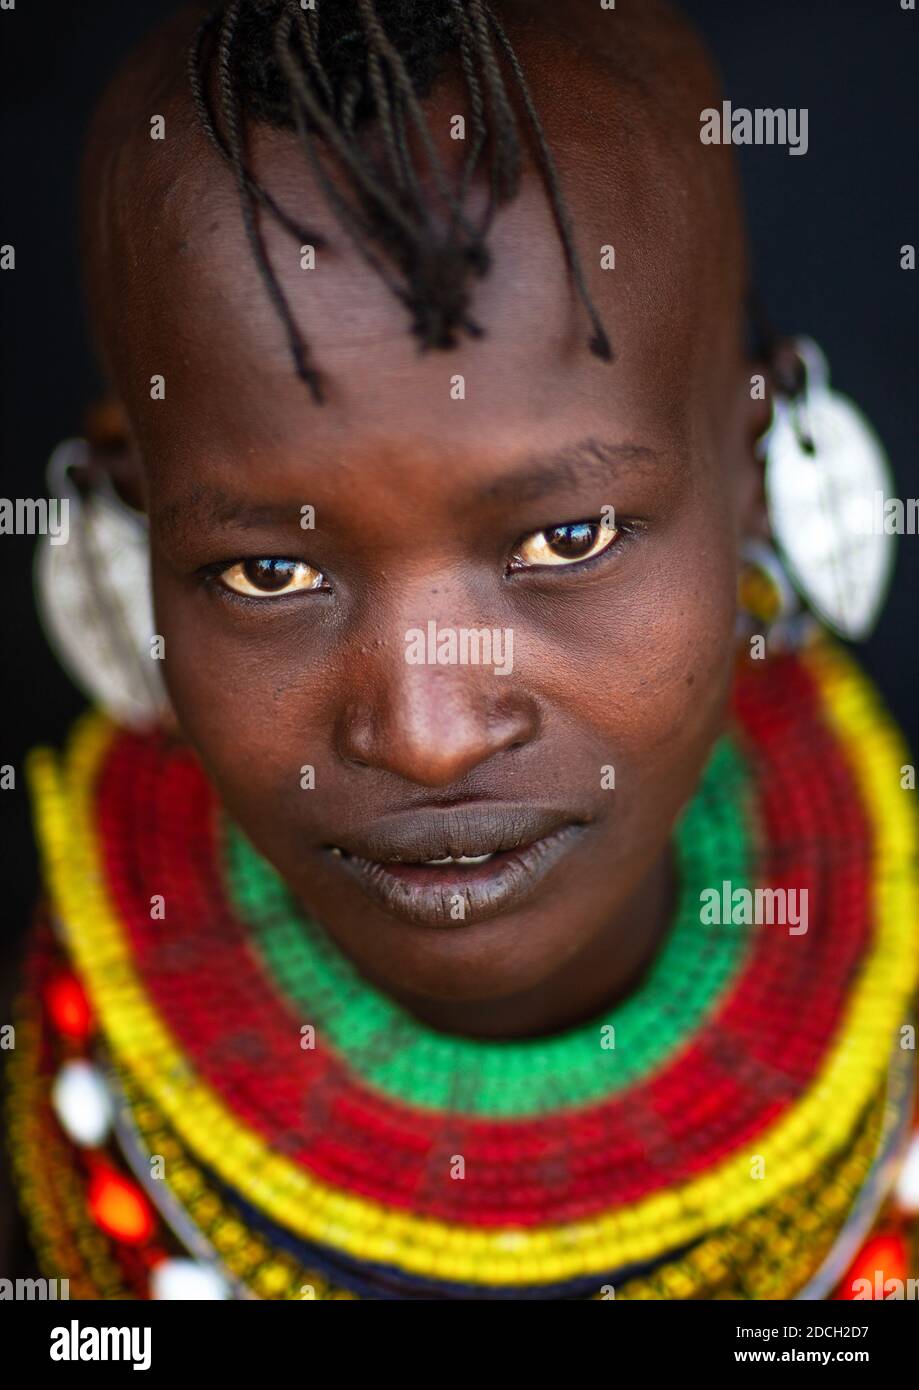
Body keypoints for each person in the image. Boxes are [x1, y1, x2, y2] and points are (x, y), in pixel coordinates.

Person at [5, 0, 918, 1300]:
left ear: (758, 476)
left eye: (570, 537)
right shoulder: (66, 1053)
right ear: (128, 525)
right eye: (274, 570)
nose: (429, 732)